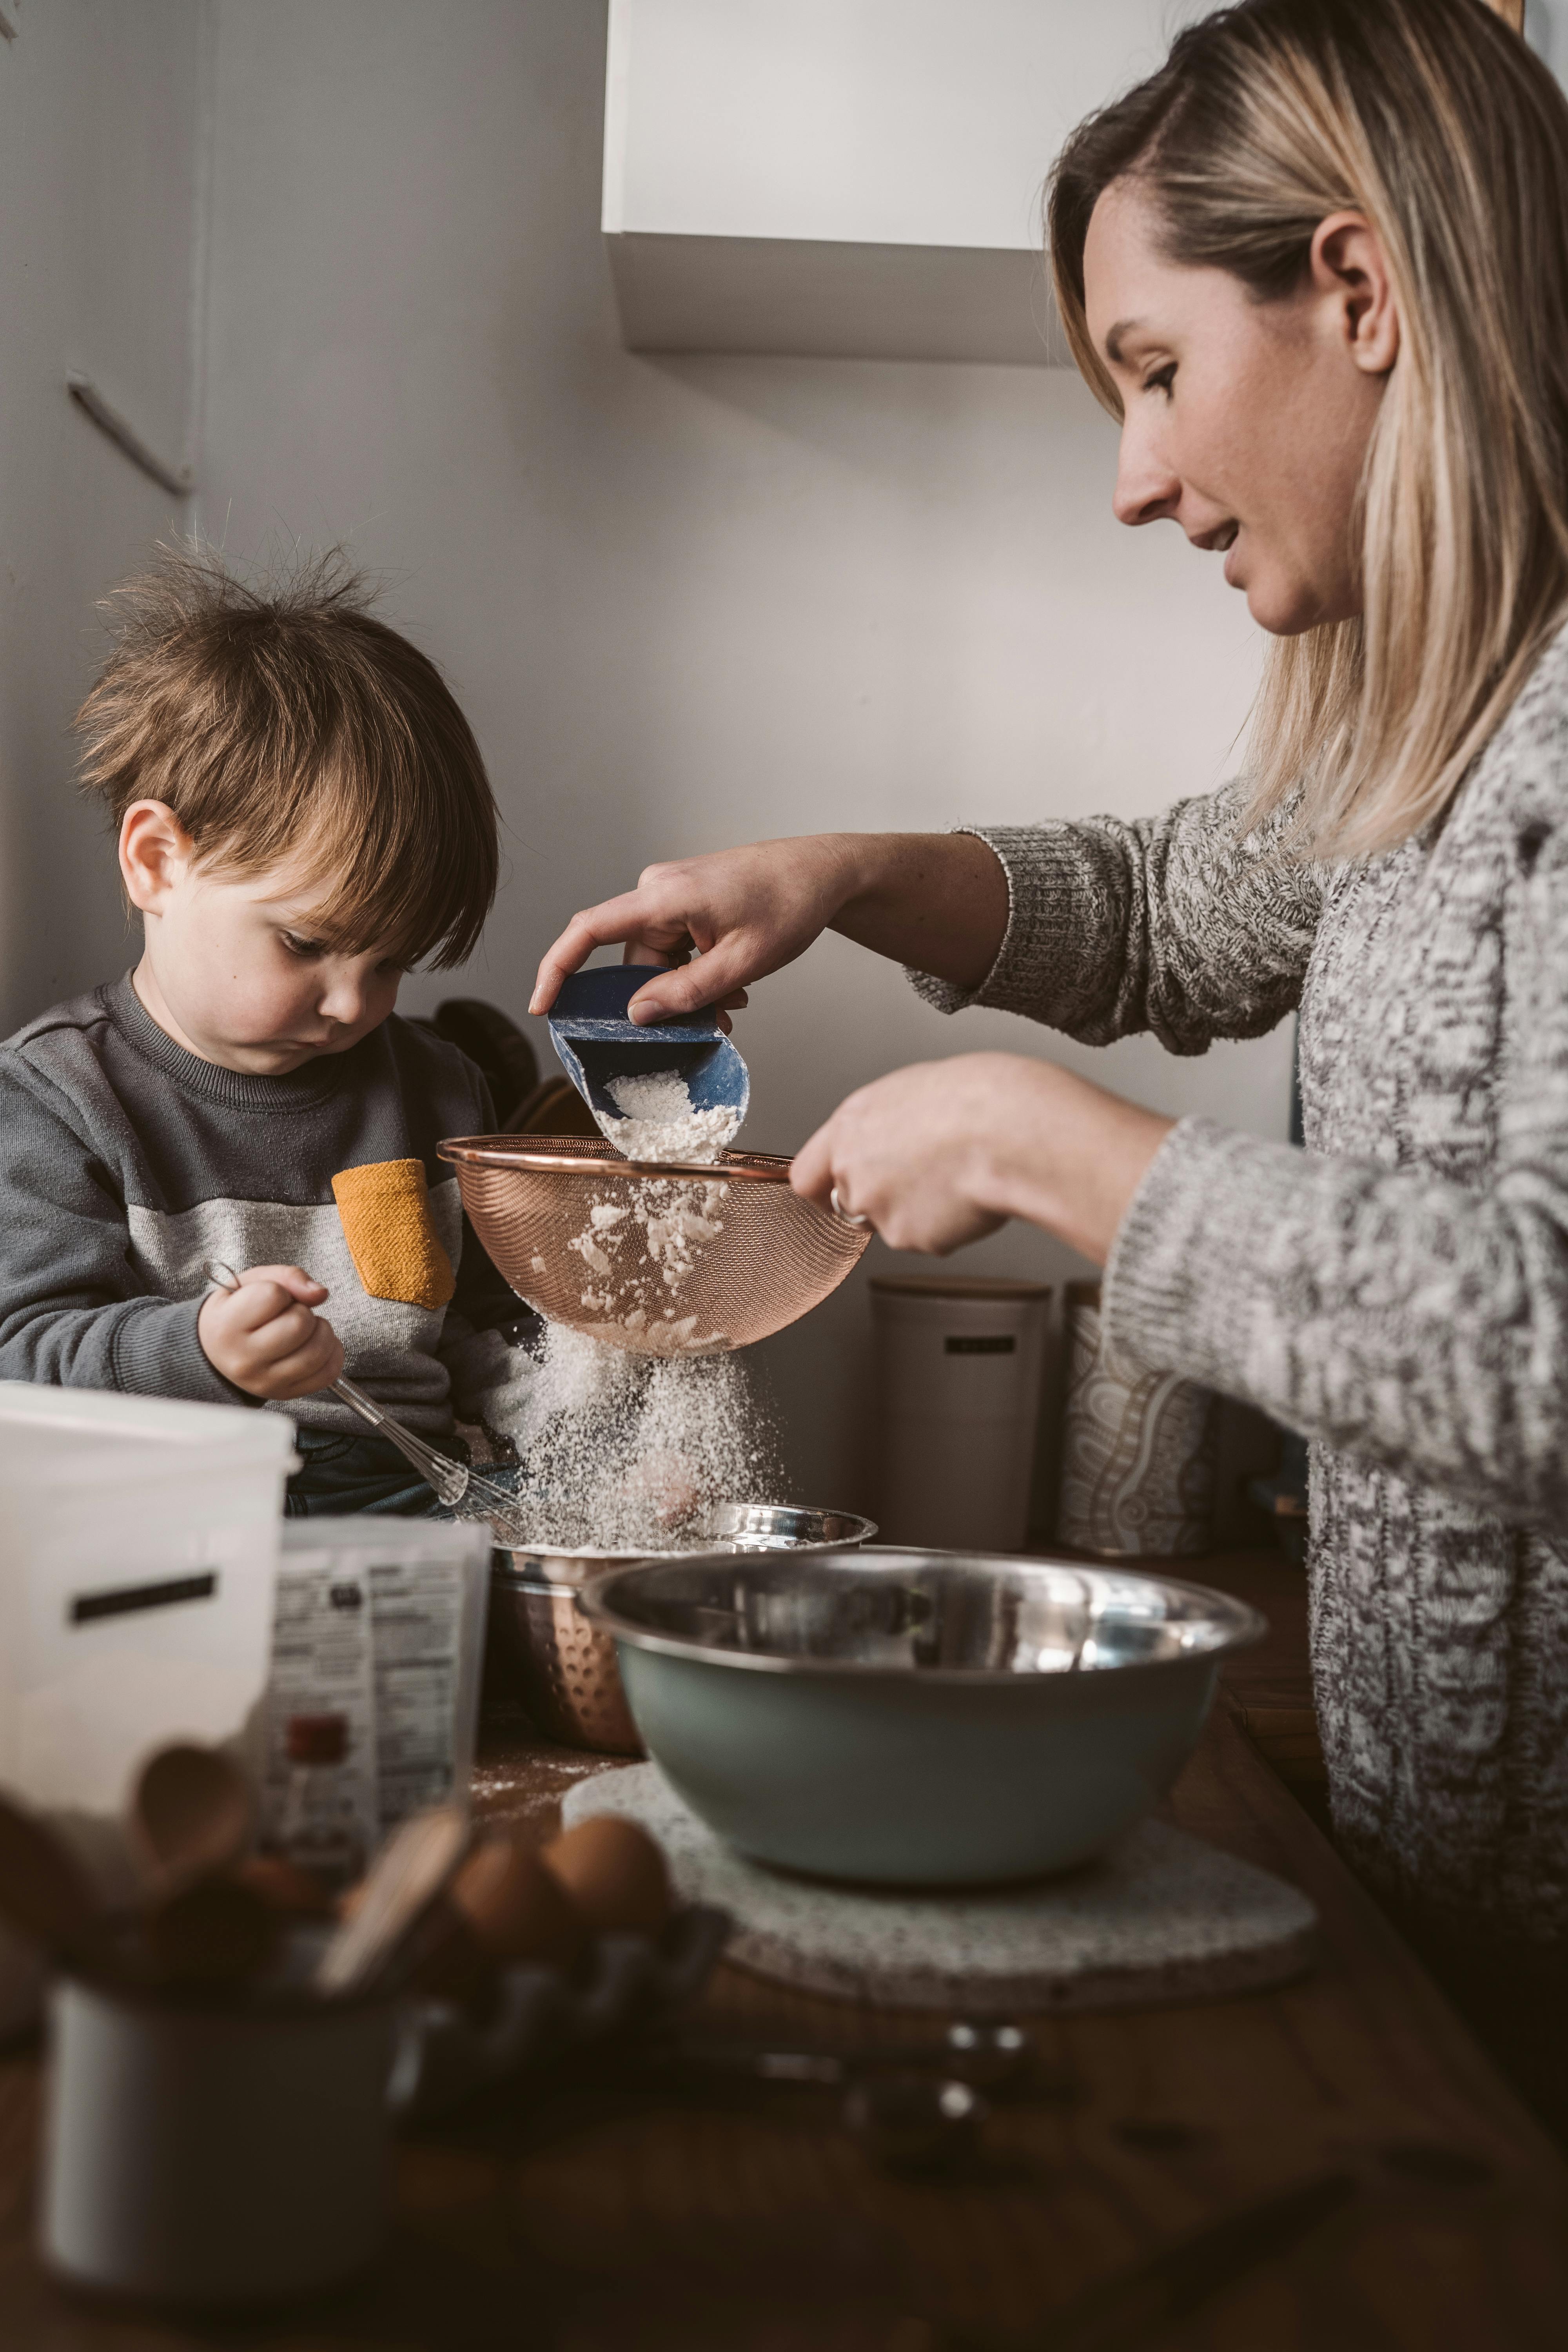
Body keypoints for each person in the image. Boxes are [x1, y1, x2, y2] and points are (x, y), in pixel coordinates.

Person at [533, 0, 1568, 2124]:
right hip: (1462, 1911)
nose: (1134, 480)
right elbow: (1179, 903)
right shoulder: (1449, 727)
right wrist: (845, 874)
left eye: (1157, 371)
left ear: (1359, 290)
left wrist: (1056, 1152)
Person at [0, 546, 526, 1515]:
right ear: (157, 861)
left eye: (391, 964)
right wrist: (199, 1351)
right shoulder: (59, 1099)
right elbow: (21, 1358)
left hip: (404, 1499)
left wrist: (600, 1444)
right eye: (306, 944)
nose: (352, 1006)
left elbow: (490, 1338)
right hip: (165, 1508)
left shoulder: (437, 1091)